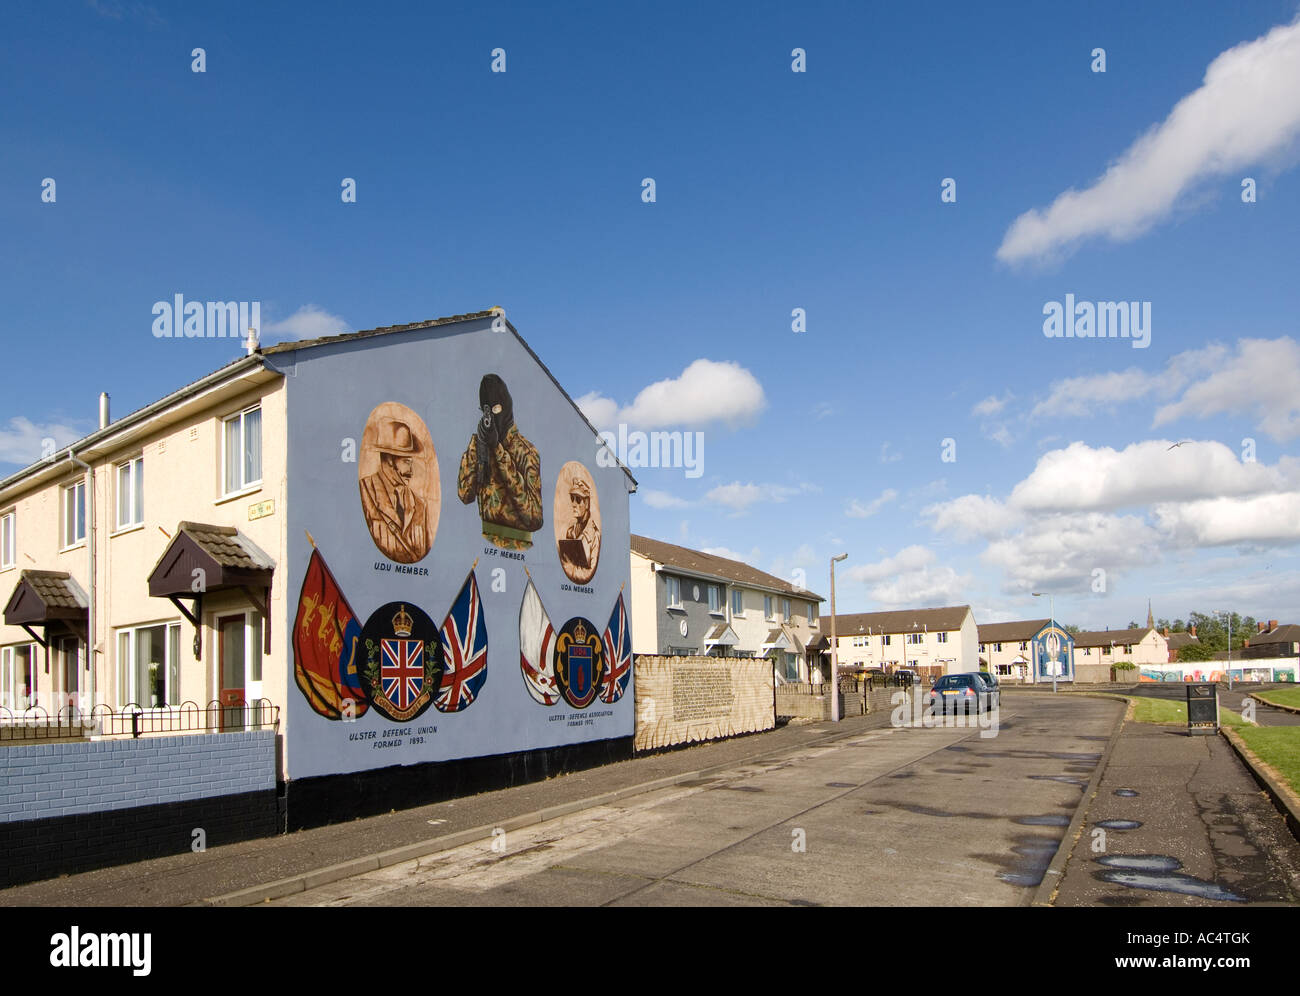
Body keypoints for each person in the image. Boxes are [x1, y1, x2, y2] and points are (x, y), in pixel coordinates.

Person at [458, 374, 543, 550]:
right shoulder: (480, 445)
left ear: (506, 407)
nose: (492, 416)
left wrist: (498, 449)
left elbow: (534, 518)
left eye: (496, 409)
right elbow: (465, 495)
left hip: (517, 545)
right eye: (486, 410)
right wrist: (479, 445)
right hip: (485, 539)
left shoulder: (526, 452)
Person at [359, 419, 430, 563]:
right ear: (390, 460)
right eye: (406, 462)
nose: (411, 472)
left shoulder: (420, 507)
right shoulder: (365, 492)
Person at [559, 477, 600, 582]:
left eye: (578, 500)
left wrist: (570, 569)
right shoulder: (570, 532)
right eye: (572, 499)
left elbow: (590, 573)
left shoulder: (594, 535)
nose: (573, 504)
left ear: (586, 504)